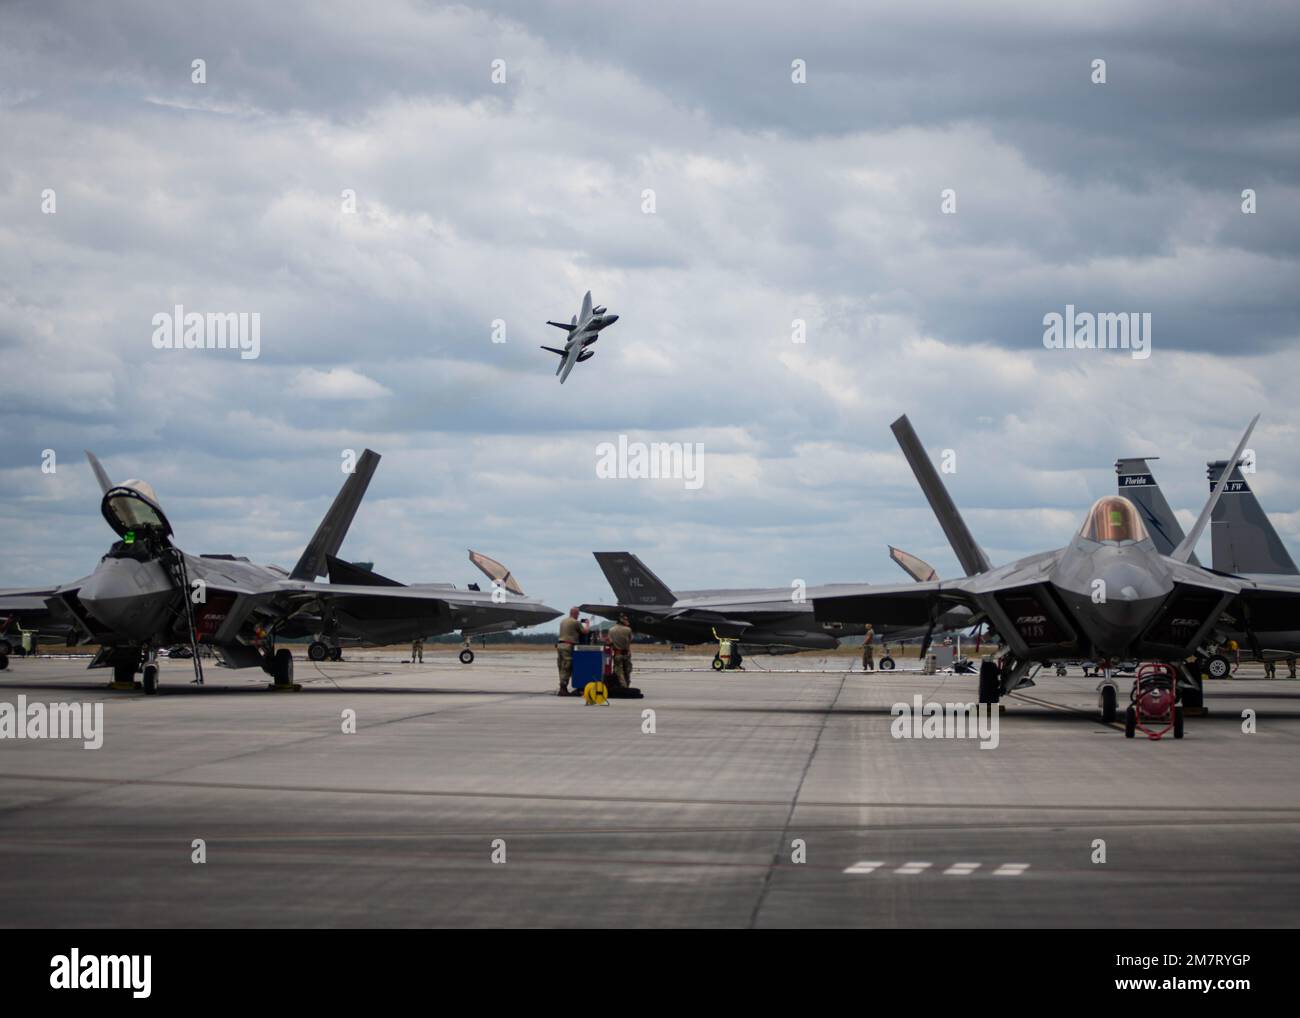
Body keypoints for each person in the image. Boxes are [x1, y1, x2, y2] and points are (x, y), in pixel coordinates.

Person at [556, 607, 583, 696]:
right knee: (567, 666)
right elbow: (584, 632)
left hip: (560, 645)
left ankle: (562, 687)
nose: (578, 615)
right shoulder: (575, 622)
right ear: (575, 613)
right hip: (568, 646)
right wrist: (587, 624)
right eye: (578, 614)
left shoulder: (563, 621)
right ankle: (563, 689)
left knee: (561, 666)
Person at [606, 614, 634, 690]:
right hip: (627, 654)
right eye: (626, 619)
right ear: (622, 620)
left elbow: (610, 642)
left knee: (619, 672)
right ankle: (626, 687)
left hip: (617, 654)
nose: (627, 621)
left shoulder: (611, 630)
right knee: (627, 671)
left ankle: (624, 687)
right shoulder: (628, 629)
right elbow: (630, 640)